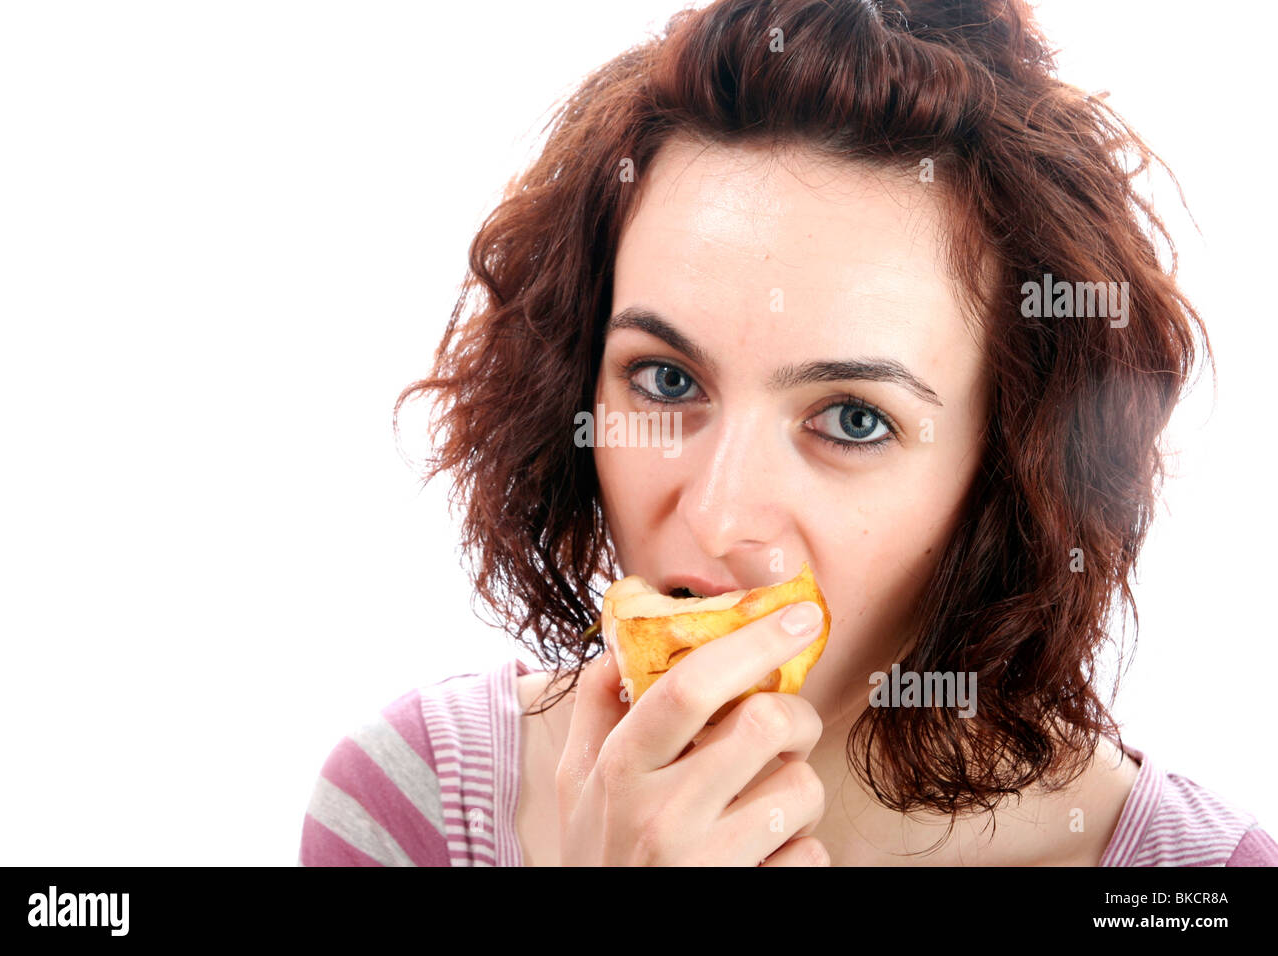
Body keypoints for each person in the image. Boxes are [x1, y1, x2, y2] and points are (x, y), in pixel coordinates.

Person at [298, 0, 1277, 866]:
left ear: (1005, 475)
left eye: (852, 419)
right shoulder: (411, 809)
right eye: (665, 377)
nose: (717, 514)